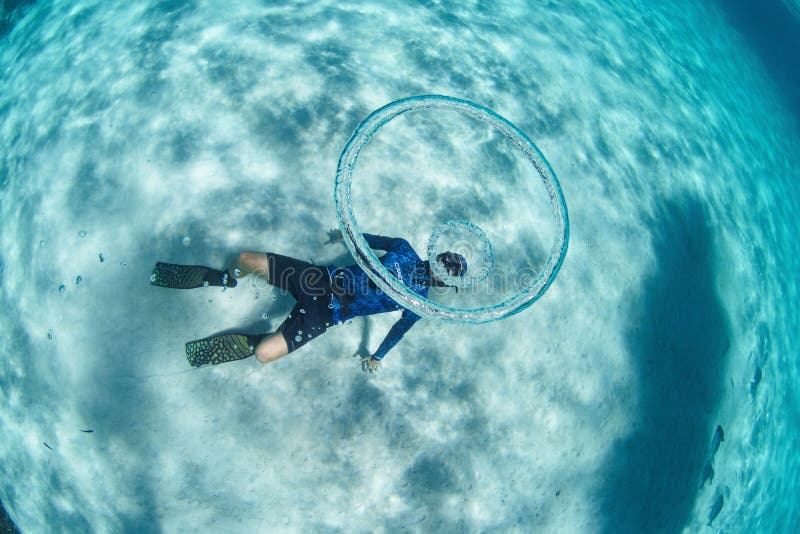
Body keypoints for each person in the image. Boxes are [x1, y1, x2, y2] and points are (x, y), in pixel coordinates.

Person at [150, 229, 467, 372]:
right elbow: (367, 240)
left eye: (448, 275)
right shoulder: (403, 248)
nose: (441, 272)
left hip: (327, 313)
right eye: (444, 262)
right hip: (320, 278)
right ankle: (224, 278)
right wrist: (344, 236)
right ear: (437, 256)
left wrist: (378, 357)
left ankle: (268, 335)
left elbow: (398, 332)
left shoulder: (418, 303)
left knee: (263, 354)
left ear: (447, 282)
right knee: (246, 258)